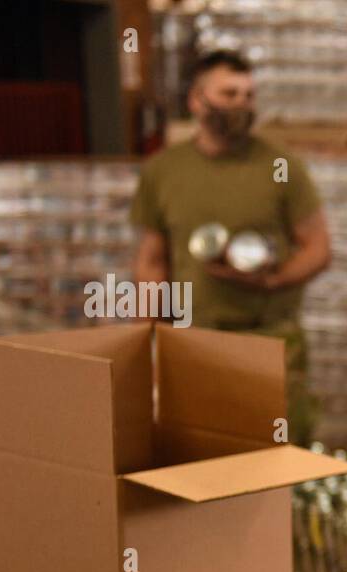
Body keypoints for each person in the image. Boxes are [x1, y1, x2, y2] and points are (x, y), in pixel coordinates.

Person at [131, 50, 330, 444]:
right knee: (206, 461)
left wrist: (271, 281)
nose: (241, 104)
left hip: (271, 343)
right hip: (197, 343)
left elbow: (319, 249)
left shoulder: (280, 165)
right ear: (197, 100)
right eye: (229, 93)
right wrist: (145, 341)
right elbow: (152, 263)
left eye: (249, 95)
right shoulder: (164, 171)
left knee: (278, 467)